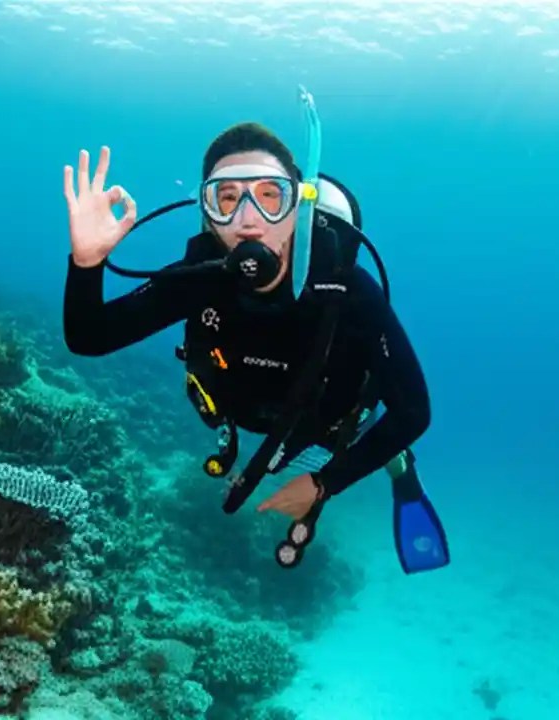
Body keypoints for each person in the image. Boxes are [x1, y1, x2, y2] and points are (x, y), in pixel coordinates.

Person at [60, 103, 449, 574]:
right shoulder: (199, 278)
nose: (249, 218)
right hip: (242, 415)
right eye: (227, 198)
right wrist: (86, 263)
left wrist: (324, 483)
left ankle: (397, 470)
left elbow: (413, 411)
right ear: (208, 214)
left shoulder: (345, 289)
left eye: (271, 196)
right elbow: (89, 337)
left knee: (379, 436)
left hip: (326, 426)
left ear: (298, 207)